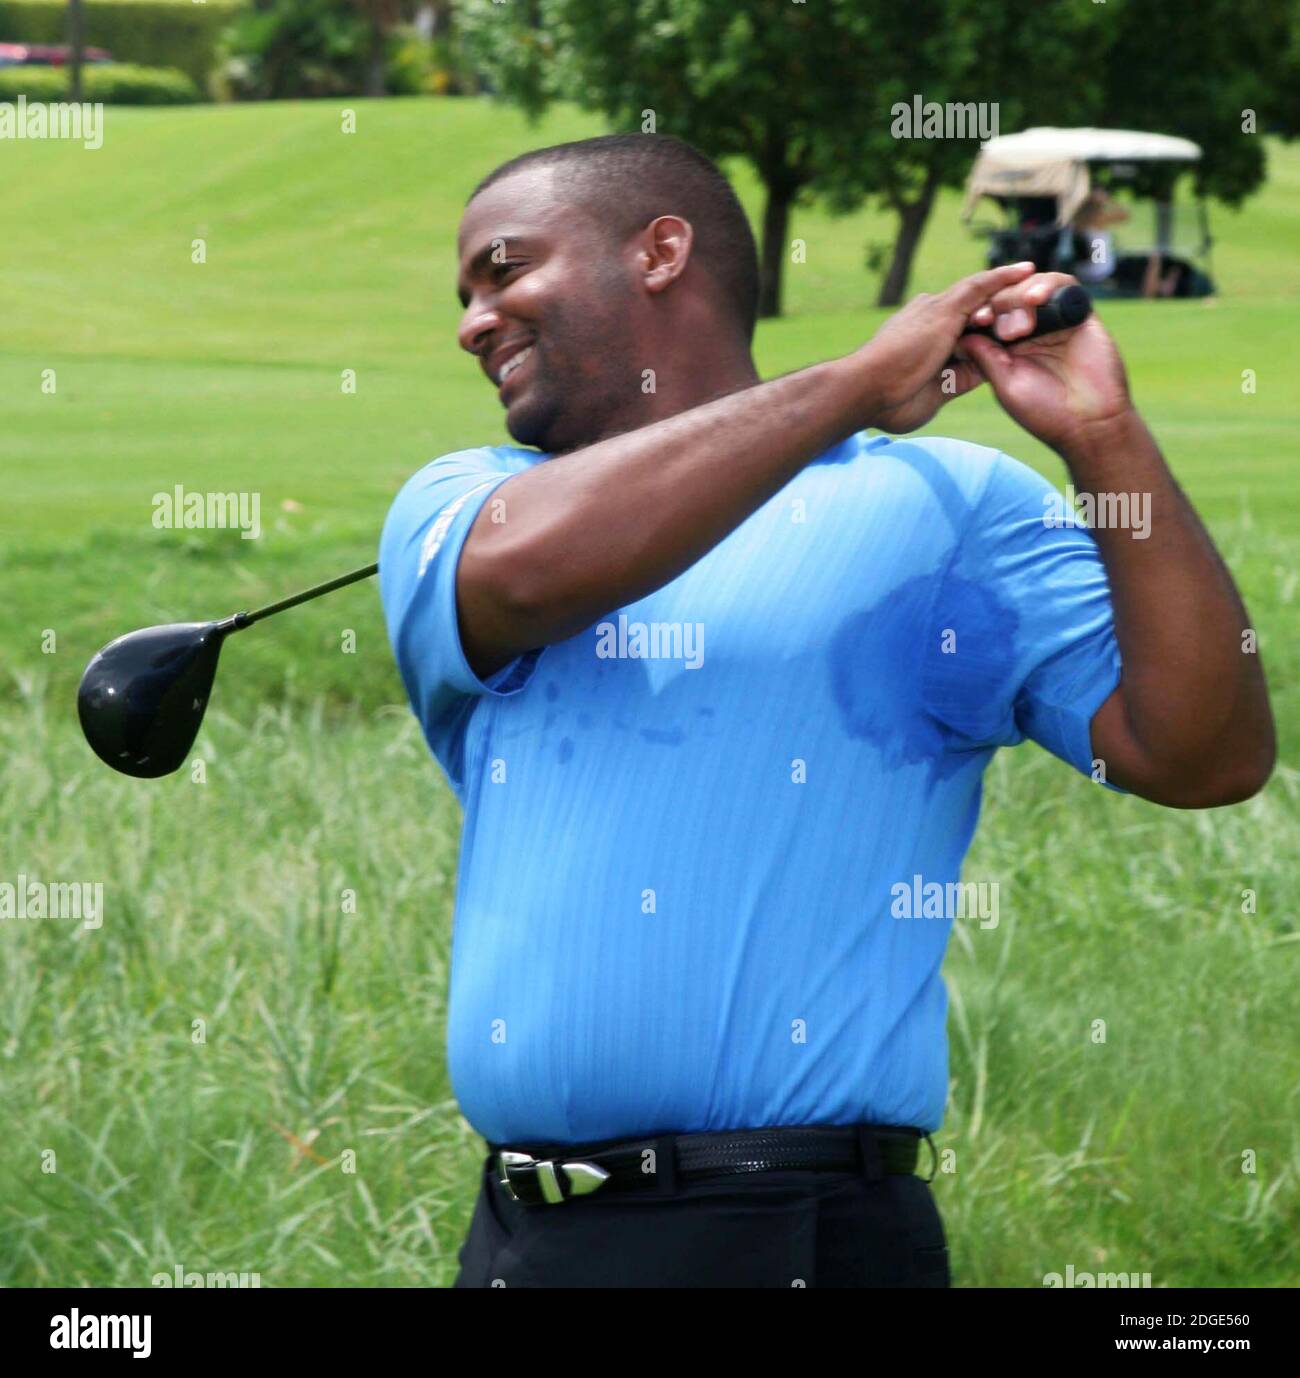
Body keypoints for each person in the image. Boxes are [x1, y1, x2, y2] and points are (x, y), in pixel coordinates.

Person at [378, 134, 1274, 1288]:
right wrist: (857, 380)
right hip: (529, 1241)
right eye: (465, 294)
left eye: (503, 271)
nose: (472, 320)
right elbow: (531, 575)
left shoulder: (946, 508)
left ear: (660, 251)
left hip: (808, 1230)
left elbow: (1201, 754)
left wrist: (1104, 438)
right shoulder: (463, 506)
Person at [1071, 188, 1129, 285]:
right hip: (1101, 270)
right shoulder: (1099, 218)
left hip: (1082, 269)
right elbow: (1125, 215)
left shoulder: (1079, 219)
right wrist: (1110, 200)